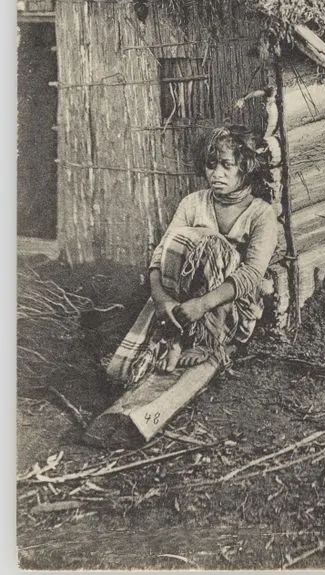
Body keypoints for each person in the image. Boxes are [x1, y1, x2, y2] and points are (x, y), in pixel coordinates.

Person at [105, 123, 278, 385]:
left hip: (228, 311)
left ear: (245, 168)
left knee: (209, 242)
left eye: (226, 165)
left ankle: (205, 342)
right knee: (177, 238)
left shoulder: (261, 214)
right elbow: (162, 253)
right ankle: (175, 337)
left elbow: (252, 274)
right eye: (211, 165)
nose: (216, 174)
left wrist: (202, 305)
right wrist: (161, 299)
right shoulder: (194, 202)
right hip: (180, 306)